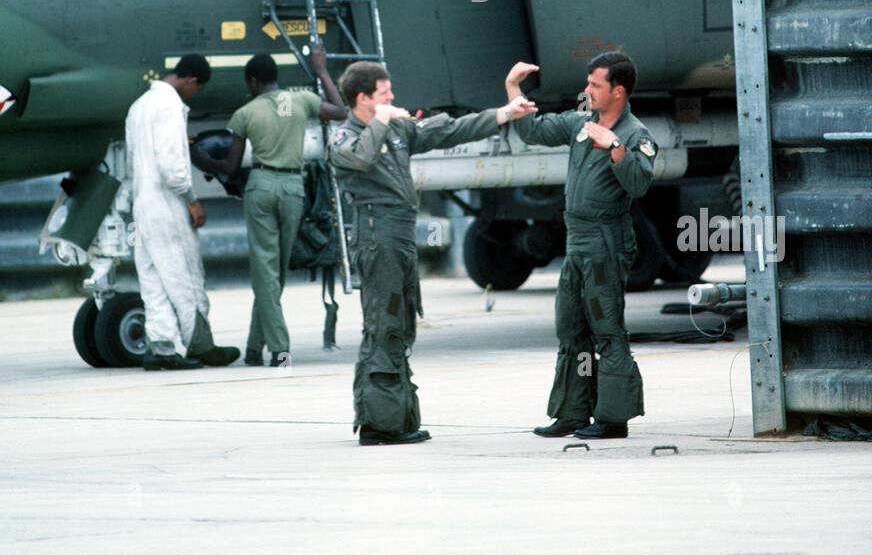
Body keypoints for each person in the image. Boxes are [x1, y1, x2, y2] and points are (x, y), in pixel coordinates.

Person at [330, 62, 536, 446]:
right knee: (385, 324)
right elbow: (358, 158)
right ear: (363, 98)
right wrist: (380, 122)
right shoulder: (345, 136)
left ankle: (390, 417)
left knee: (399, 323)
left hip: (399, 238)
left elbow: (447, 130)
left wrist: (503, 114)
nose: (392, 98)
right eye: (383, 93)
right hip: (379, 239)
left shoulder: (395, 128)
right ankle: (381, 425)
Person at [506, 51, 657, 439]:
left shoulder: (635, 135)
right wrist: (513, 90)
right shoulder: (581, 122)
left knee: (606, 328)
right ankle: (574, 411)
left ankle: (613, 417)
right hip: (577, 241)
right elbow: (533, 131)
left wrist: (615, 148)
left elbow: (639, 184)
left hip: (605, 242)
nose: (586, 90)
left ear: (618, 91)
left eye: (595, 84)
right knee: (572, 329)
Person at [191, 47, 346, 367]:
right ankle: (252, 347)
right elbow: (342, 112)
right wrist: (322, 71)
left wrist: (198, 155)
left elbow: (231, 167)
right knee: (274, 273)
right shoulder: (301, 101)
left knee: (265, 272)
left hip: (261, 187)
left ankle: (279, 349)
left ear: (252, 81)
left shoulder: (245, 113)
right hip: (293, 187)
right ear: (274, 78)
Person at [125, 55, 240, 371]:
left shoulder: (138, 107)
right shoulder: (171, 107)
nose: (194, 94)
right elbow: (172, 169)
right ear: (191, 80)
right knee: (185, 277)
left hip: (142, 203)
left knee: (154, 281)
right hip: (166, 205)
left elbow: (135, 157)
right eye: (196, 89)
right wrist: (192, 200)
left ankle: (161, 348)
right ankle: (201, 346)